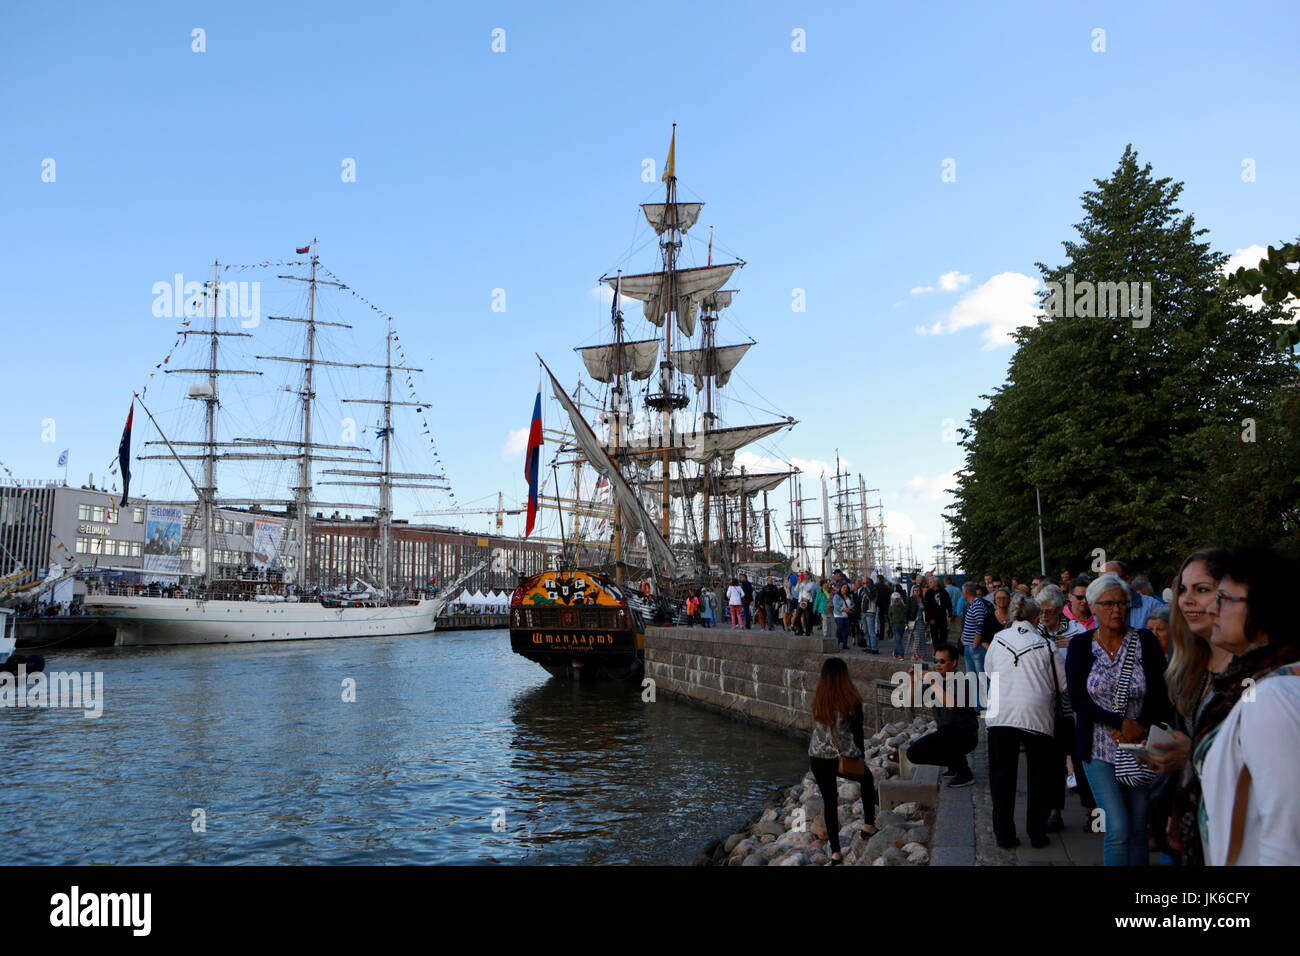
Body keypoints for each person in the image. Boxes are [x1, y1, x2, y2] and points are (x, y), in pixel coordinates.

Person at [1192, 547, 1300, 865]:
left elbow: (1288, 838)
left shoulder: (1272, 696)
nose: (1211, 608)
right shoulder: (1269, 680)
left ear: (1264, 606)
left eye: (1223, 597)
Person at [1065, 572, 1172, 866]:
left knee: (1139, 828)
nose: (1117, 610)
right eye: (1109, 604)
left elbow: (1161, 693)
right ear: (1093, 606)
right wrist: (1119, 722)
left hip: (1139, 746)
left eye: (1122, 604)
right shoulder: (1080, 646)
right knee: (1119, 827)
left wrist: (1139, 726)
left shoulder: (1145, 641)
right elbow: (1078, 700)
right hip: (1098, 749)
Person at [1152, 548, 1232, 864]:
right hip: (1185, 817)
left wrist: (1193, 753)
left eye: (1201, 590)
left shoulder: (1255, 670)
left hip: (1231, 826)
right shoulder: (1187, 662)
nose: (1186, 600)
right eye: (1183, 589)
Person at [985, 596, 1063, 849]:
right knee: (1039, 776)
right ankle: (1037, 834)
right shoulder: (1045, 645)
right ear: (1036, 618)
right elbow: (1062, 684)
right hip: (1036, 715)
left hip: (1000, 714)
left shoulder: (998, 639)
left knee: (1001, 777)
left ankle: (1004, 835)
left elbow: (988, 670)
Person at [1036, 584, 1093, 831]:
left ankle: (1092, 812)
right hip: (1047, 706)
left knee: (1081, 759)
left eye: (1049, 611)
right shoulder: (1034, 632)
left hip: (1074, 705)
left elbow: (1092, 658)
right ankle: (1054, 812)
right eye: (1041, 611)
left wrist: (1073, 647)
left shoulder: (1076, 631)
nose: (1044, 615)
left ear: (1060, 609)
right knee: (1051, 763)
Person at [808, 657, 875, 865]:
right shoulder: (851, 701)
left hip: (817, 757)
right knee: (867, 779)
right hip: (843, 757)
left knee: (829, 801)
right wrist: (861, 757)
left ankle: (836, 853)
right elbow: (857, 734)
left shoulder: (818, 699)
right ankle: (868, 826)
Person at [905, 643, 978, 788]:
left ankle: (965, 773)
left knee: (946, 731)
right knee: (913, 753)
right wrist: (912, 681)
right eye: (935, 661)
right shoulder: (937, 681)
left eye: (942, 661)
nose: (937, 665)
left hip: (965, 736)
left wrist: (932, 682)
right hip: (947, 734)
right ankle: (954, 764)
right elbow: (912, 700)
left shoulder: (962, 680)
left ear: (954, 662)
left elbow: (951, 703)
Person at [889, 592, 907, 659]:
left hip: (901, 625)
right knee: (899, 640)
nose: (896, 600)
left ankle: (895, 653)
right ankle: (902, 654)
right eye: (895, 599)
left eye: (897, 599)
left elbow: (905, 614)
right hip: (896, 625)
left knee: (898, 640)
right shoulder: (892, 606)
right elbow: (889, 615)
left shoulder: (903, 606)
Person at [833, 583, 851, 649]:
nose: (845, 589)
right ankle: (836, 642)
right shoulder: (836, 596)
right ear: (841, 588)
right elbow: (836, 605)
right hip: (838, 615)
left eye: (846, 588)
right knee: (840, 628)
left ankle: (845, 644)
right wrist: (843, 609)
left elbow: (853, 605)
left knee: (846, 630)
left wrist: (851, 609)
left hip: (847, 615)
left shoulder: (849, 597)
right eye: (844, 587)